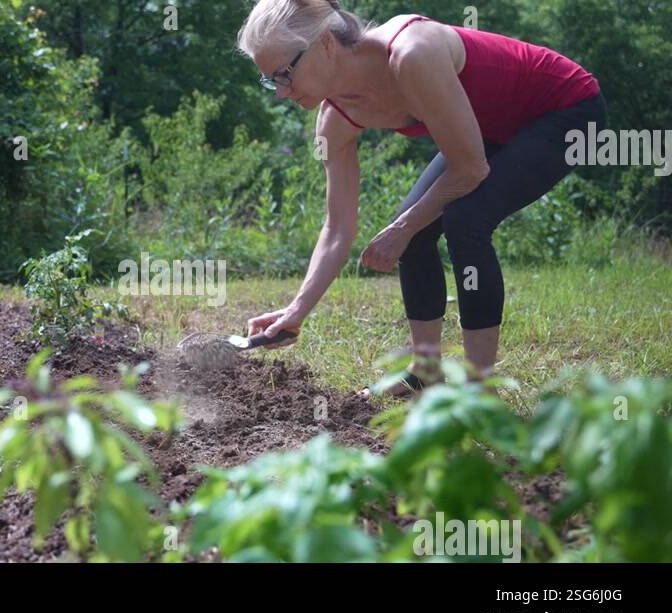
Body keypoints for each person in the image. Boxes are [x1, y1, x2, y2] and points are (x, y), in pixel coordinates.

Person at [239, 1, 606, 396]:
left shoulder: (411, 54)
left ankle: (480, 390)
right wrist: (296, 312)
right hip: (491, 130)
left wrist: (402, 227)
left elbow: (471, 169)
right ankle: (425, 372)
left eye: (284, 74)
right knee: (415, 234)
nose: (279, 93)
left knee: (465, 219)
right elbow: (337, 229)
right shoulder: (333, 121)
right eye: (269, 81)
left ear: (326, 43)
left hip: (567, 110)